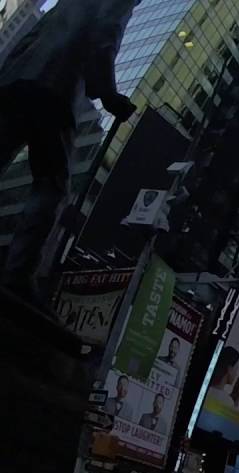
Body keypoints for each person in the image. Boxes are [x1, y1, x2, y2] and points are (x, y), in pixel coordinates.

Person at [0, 0, 137, 302]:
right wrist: (111, 95)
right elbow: (105, 36)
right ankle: (17, 275)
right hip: (55, 85)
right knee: (52, 186)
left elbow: (31, 36)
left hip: (17, 79)